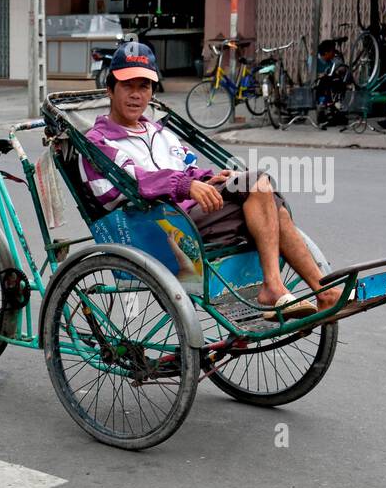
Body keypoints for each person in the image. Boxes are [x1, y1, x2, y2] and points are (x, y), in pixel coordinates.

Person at [80, 43, 341, 320]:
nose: (136, 95)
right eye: (127, 86)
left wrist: (210, 178)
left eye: (144, 87)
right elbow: (126, 183)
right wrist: (182, 185)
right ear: (110, 89)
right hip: (160, 226)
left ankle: (319, 292)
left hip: (192, 215)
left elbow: (188, 168)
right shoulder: (97, 142)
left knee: (258, 188)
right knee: (265, 197)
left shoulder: (160, 133)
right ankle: (281, 288)